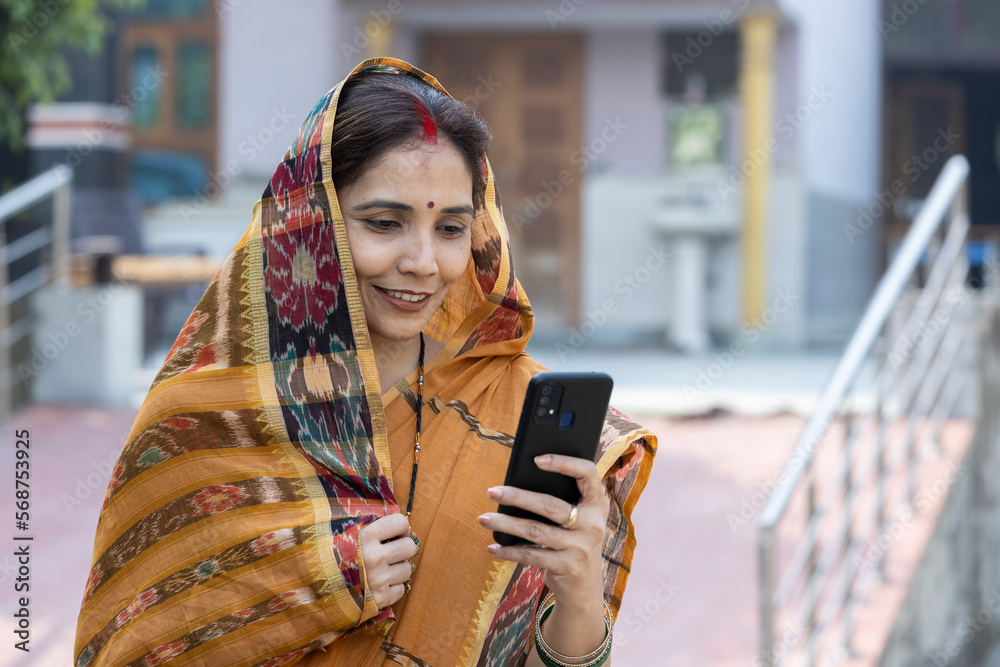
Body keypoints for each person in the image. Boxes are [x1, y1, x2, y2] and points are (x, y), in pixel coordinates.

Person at [74, 57, 657, 667]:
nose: (423, 262)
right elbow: (133, 649)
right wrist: (315, 583)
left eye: (452, 228)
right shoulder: (202, 416)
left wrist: (580, 591)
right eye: (385, 223)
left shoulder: (510, 411)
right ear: (310, 225)